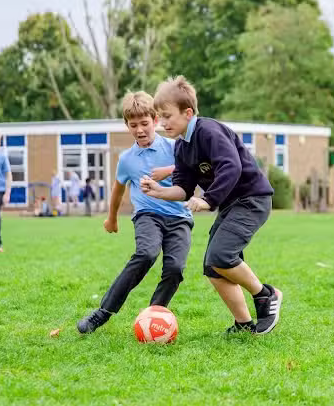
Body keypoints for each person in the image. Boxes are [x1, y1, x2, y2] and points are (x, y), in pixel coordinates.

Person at [141, 75, 283, 335]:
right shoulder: (182, 146)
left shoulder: (209, 131)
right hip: (232, 206)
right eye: (159, 117)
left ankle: (266, 295)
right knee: (213, 266)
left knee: (221, 256)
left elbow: (232, 166)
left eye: (167, 116)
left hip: (252, 199)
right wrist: (159, 192)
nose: (162, 123)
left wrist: (208, 200)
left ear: (188, 112)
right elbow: (184, 189)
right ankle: (243, 324)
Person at [77, 91, 192, 334]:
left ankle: (153, 318)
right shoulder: (127, 159)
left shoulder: (175, 147)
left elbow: (195, 168)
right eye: (133, 125)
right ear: (126, 125)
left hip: (180, 217)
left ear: (155, 120)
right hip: (148, 215)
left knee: (175, 269)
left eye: (144, 123)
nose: (140, 130)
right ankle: (102, 313)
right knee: (146, 253)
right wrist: (111, 218)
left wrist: (169, 169)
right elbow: (118, 191)